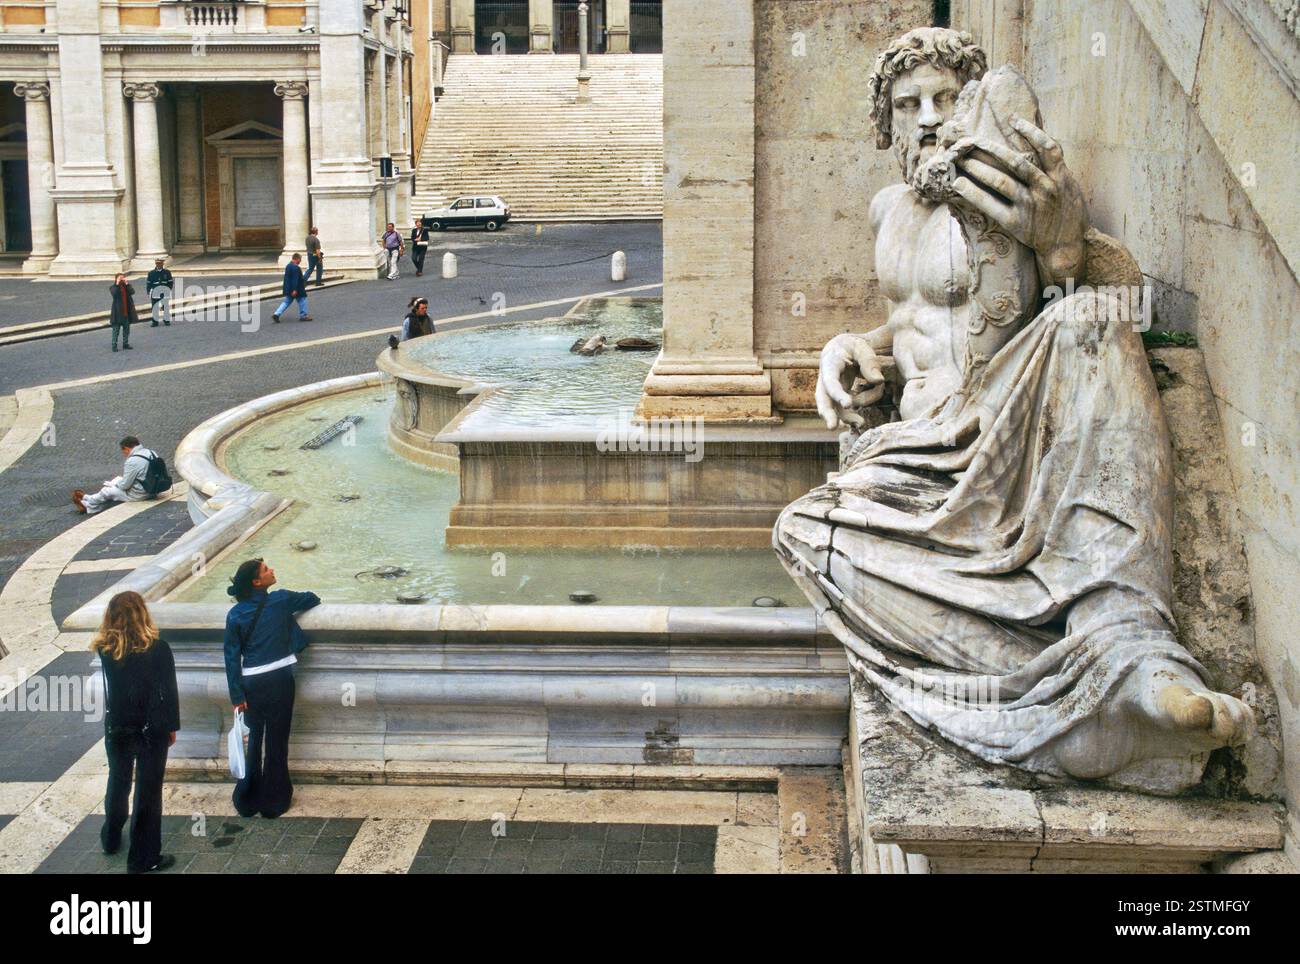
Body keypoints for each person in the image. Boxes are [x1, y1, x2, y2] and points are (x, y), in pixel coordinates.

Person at [775, 27, 1252, 790]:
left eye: (944, 98)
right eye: (908, 103)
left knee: (1089, 322)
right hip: (915, 448)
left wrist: (1061, 250)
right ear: (886, 120)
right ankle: (1072, 696)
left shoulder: (1014, 190)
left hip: (1005, 421)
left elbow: (1104, 292)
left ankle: (1130, 651)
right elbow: (907, 329)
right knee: (803, 533)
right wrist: (850, 348)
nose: (927, 117)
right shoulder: (888, 211)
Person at [223, 558, 320, 819]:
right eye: (266, 570)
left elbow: (231, 657)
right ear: (257, 582)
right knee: (277, 740)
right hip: (280, 678)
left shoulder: (235, 614)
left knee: (253, 740)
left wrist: (236, 695)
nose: (272, 570)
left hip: (251, 681)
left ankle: (247, 798)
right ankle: (274, 801)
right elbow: (312, 598)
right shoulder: (281, 600)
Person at [92, 591, 180, 874]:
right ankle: (144, 859)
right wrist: (171, 727)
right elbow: (168, 693)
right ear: (142, 613)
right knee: (148, 792)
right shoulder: (159, 649)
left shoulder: (105, 649)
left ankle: (111, 836)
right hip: (150, 729)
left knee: (118, 782)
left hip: (116, 726)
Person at [74, 435, 168, 515]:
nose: (124, 454)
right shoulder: (151, 452)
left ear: (126, 449)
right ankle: (90, 507)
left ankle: (89, 500)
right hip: (154, 490)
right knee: (114, 497)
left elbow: (125, 485)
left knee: (107, 491)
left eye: (123, 451)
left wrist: (115, 484)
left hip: (141, 494)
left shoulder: (132, 461)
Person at [272, 253, 312, 323]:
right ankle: (303, 315)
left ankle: (276, 314)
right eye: (300, 260)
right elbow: (295, 279)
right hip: (297, 289)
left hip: (288, 287)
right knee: (302, 300)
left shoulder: (288, 266)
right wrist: (295, 289)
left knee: (286, 302)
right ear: (297, 259)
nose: (300, 261)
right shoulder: (296, 268)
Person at [108, 273, 137, 352]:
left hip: (126, 313)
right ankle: (114, 345)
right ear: (116, 279)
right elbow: (114, 294)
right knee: (116, 331)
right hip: (117, 314)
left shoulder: (126, 287)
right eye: (120, 278)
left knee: (126, 330)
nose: (122, 280)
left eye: (123, 278)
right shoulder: (113, 287)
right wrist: (117, 283)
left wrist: (127, 284)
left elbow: (132, 292)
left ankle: (125, 344)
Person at [145, 258, 173, 328]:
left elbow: (170, 282)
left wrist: (168, 290)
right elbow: (149, 284)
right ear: (155, 264)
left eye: (160, 263)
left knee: (165, 307)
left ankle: (166, 321)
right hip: (155, 292)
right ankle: (155, 322)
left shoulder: (167, 272)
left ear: (163, 264)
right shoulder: (151, 273)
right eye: (157, 263)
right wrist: (149, 292)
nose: (158, 265)